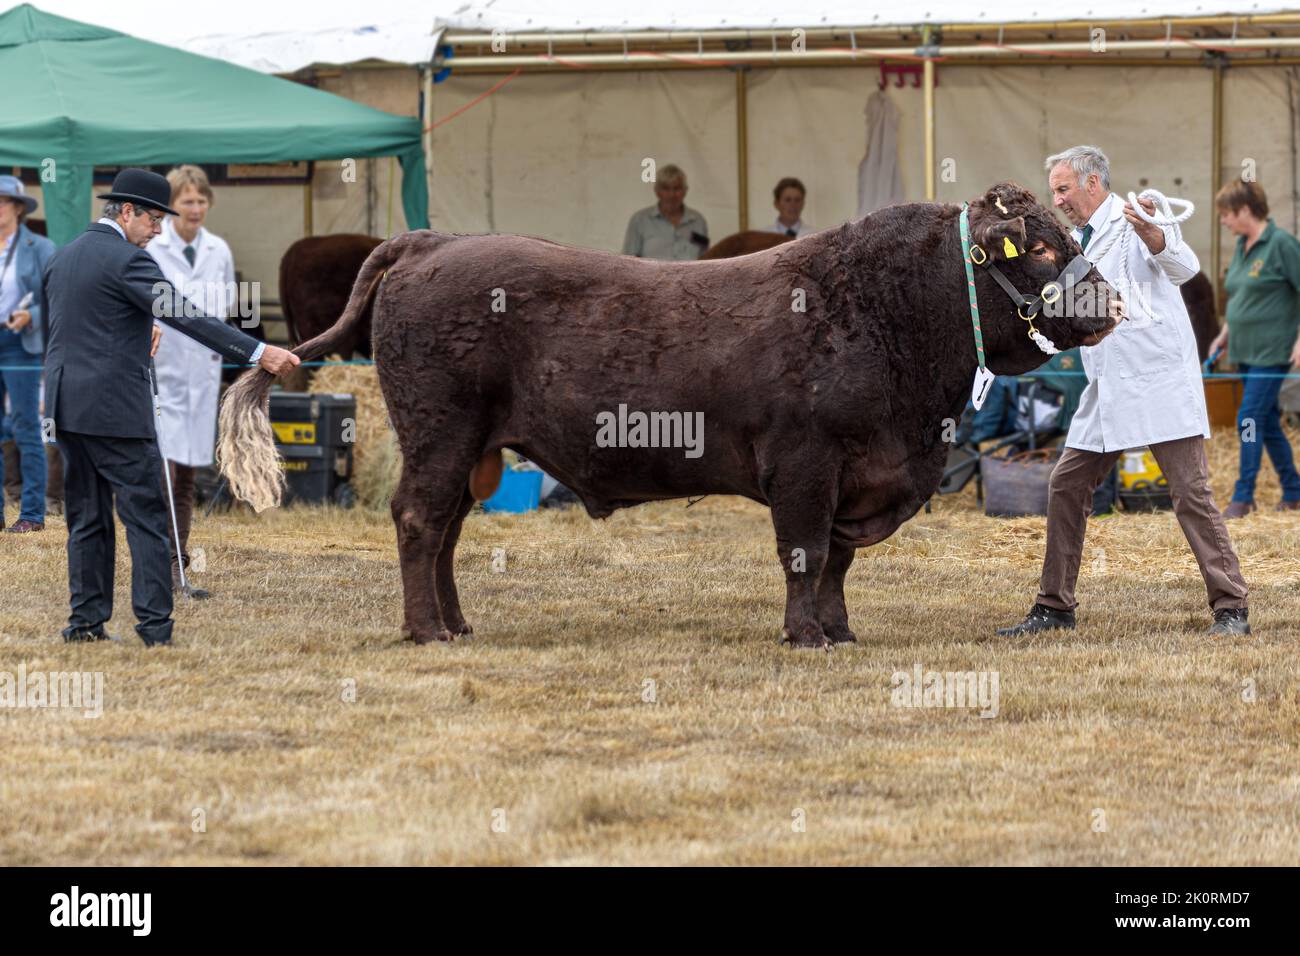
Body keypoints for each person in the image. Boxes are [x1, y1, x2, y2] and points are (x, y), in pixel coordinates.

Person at [997, 145, 1249, 638]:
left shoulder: (1142, 212)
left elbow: (1183, 268)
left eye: (1064, 189)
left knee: (1190, 495)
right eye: (1055, 191)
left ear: (1094, 183)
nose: (1059, 200)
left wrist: (1155, 235)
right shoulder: (1072, 241)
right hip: (1107, 387)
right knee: (1066, 486)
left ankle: (1231, 606)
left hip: (1159, 381)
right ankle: (1054, 607)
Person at [41, 168, 300, 646]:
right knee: (146, 516)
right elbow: (185, 313)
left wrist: (137, 327)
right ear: (127, 212)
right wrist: (259, 352)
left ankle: (85, 623)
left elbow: (68, 329)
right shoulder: (129, 262)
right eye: (154, 220)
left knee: (87, 518)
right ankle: (155, 628)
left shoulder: (64, 257)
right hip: (116, 409)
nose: (158, 230)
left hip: (65, 406)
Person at [145, 166, 237, 596]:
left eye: (201, 201)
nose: (195, 208)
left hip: (201, 373)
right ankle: (159, 564)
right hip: (162, 372)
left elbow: (226, 310)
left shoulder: (218, 249)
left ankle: (178, 563)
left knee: (186, 476)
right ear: (171, 206)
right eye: (187, 201)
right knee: (162, 471)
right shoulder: (151, 248)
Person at [1208, 179, 1300, 517]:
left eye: (1226, 213)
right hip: (1243, 351)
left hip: (1272, 353)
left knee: (1248, 417)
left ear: (1245, 210)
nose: (1222, 221)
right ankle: (1293, 491)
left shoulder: (1281, 244)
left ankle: (1244, 496)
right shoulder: (1242, 245)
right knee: (1268, 421)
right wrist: (1225, 334)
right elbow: (1241, 295)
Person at [0, 176, 55, 534]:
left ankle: (32, 514)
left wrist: (31, 316)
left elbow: (57, 298)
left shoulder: (40, 247)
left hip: (20, 341)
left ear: (18, 208)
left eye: (2, 201)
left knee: (25, 426)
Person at [622, 164, 709, 260]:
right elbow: (628, 261)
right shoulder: (640, 220)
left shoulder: (698, 221)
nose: (671, 195)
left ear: (685, 191)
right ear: (656, 191)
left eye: (677, 188)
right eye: (666, 188)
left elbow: (705, 259)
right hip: (651, 275)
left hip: (691, 275)